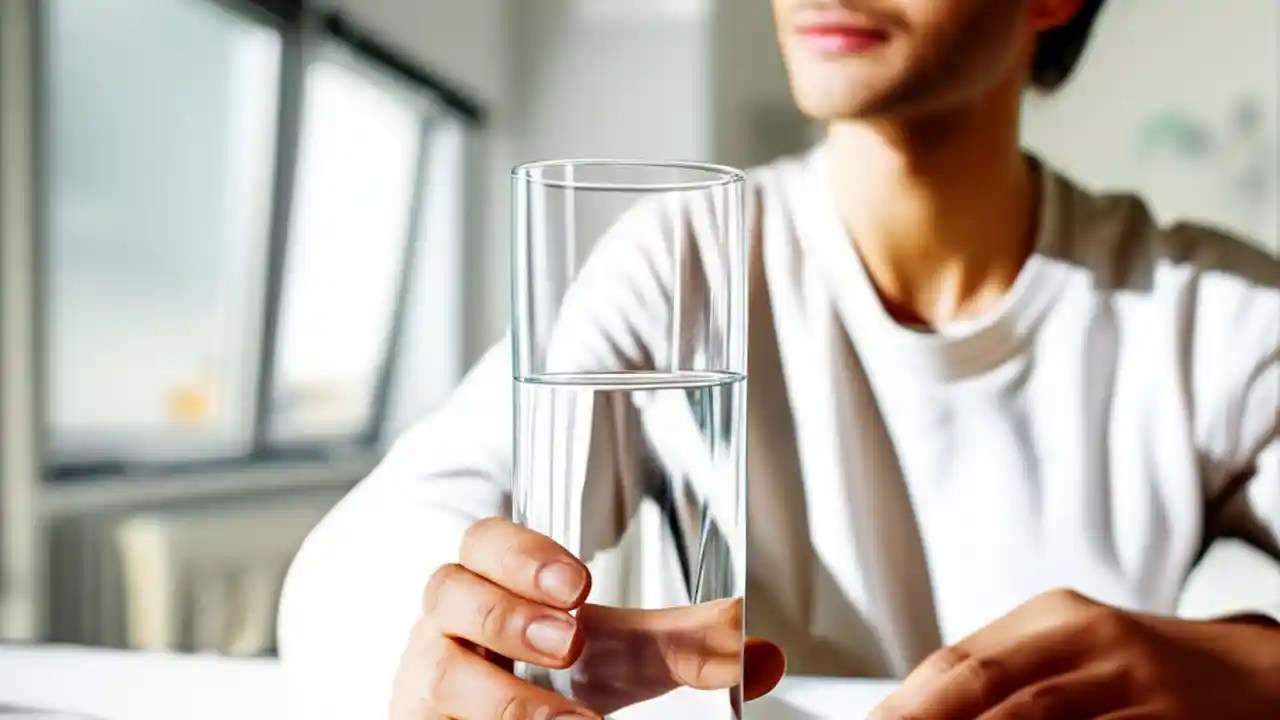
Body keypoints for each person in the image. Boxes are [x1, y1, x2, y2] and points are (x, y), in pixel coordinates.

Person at [278, 0, 1280, 718]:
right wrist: (449, 635)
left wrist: (1248, 672)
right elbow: (350, 574)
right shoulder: (683, 261)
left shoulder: (1210, 310)